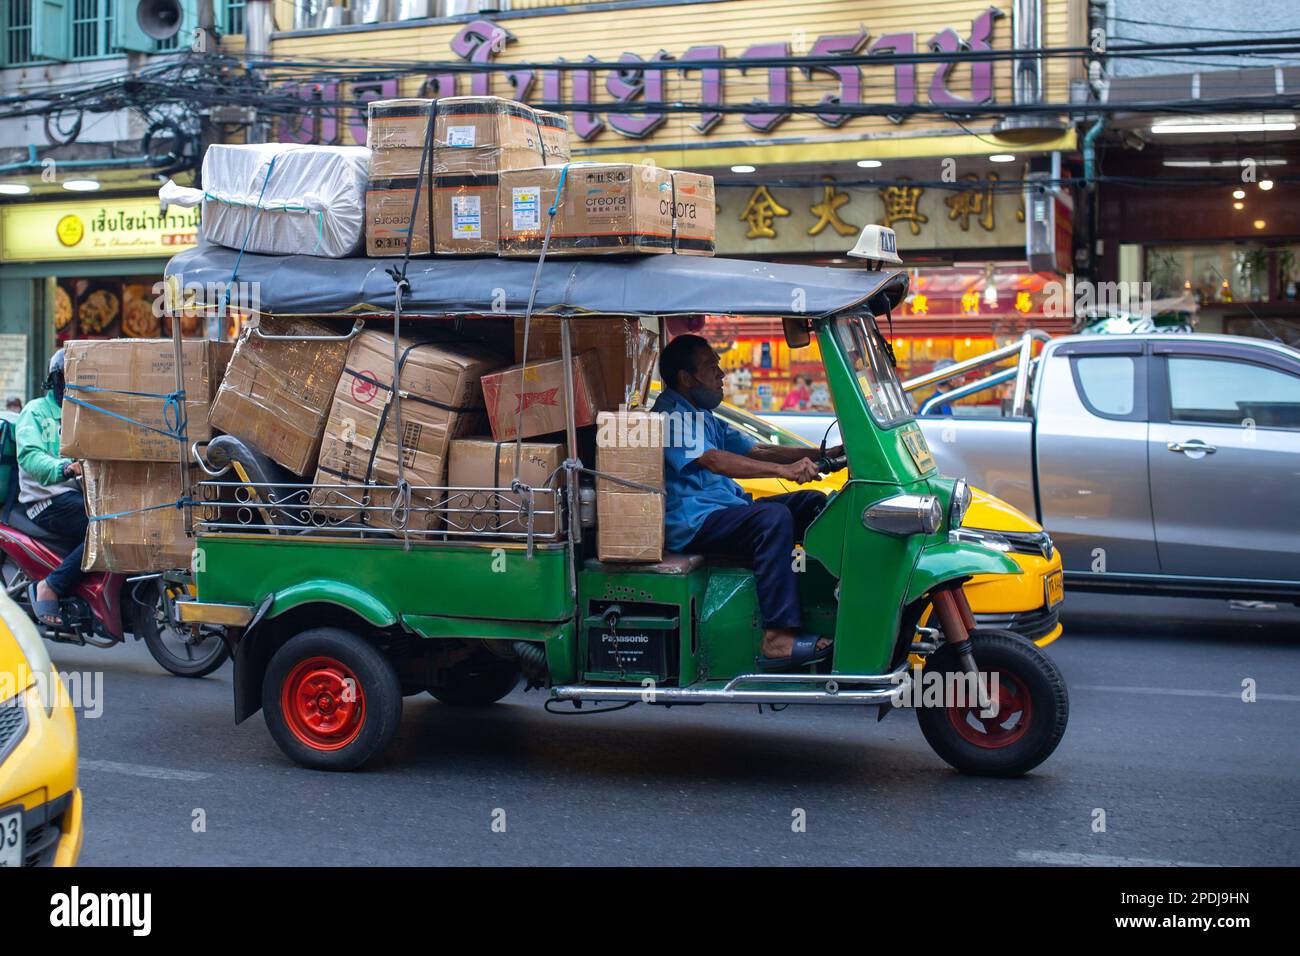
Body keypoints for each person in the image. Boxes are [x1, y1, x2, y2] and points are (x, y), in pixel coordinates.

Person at [651, 334, 845, 669]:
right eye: (712, 366)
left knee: (811, 502)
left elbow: (757, 449)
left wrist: (823, 453)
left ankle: (830, 598)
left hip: (724, 511)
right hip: (694, 523)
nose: (721, 375)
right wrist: (785, 469)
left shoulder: (701, 414)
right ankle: (777, 638)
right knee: (772, 519)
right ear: (686, 378)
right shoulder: (672, 415)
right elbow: (713, 460)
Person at [15, 350, 86, 626]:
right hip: (45, 500)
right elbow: (31, 456)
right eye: (66, 381)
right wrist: (63, 468)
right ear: (56, 381)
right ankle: (49, 587)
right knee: (103, 530)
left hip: (79, 497)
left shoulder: (84, 415)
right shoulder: (35, 412)